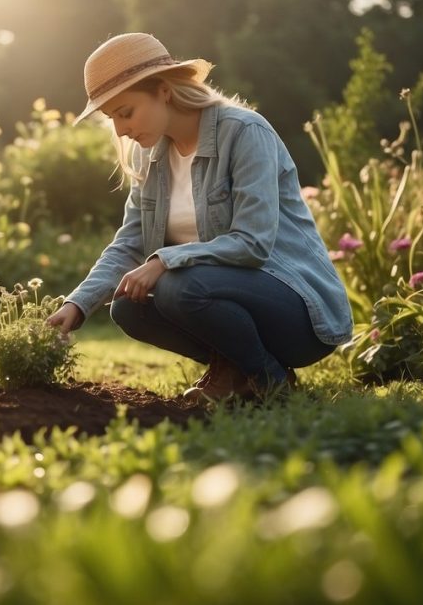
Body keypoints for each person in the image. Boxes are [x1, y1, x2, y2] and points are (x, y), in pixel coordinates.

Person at [45, 33, 352, 402]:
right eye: (113, 119)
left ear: (163, 91)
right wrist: (76, 304)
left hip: (298, 312)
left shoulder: (244, 133)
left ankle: (269, 380)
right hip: (223, 298)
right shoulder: (148, 156)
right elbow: (130, 243)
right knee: (128, 307)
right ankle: (234, 369)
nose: (121, 130)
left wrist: (164, 261)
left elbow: (252, 243)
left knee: (178, 286)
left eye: (125, 113)